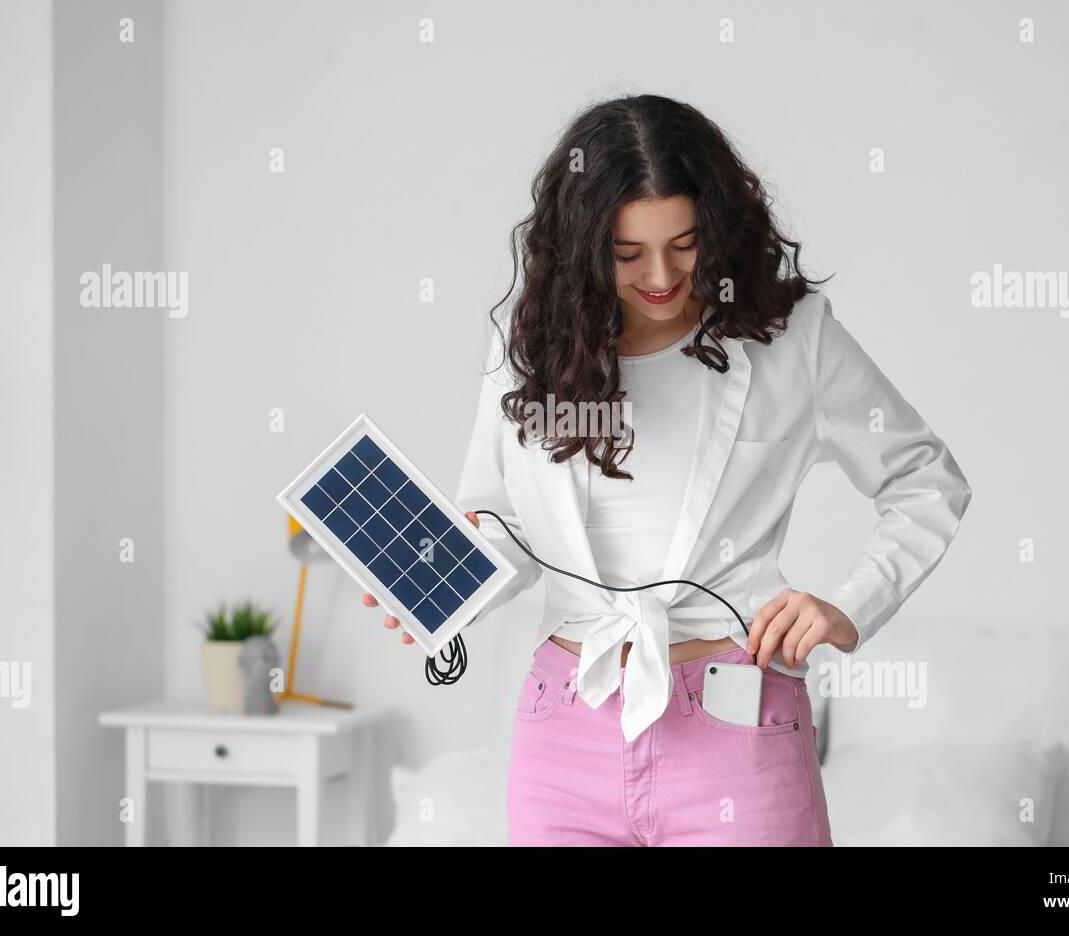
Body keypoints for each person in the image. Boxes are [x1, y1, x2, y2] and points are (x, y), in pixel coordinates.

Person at [363, 94, 973, 846]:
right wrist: (443, 580)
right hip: (564, 732)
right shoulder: (530, 347)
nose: (661, 276)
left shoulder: (792, 340)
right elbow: (509, 524)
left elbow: (927, 479)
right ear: (584, 247)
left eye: (684, 245)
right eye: (627, 254)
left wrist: (852, 605)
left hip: (735, 728)